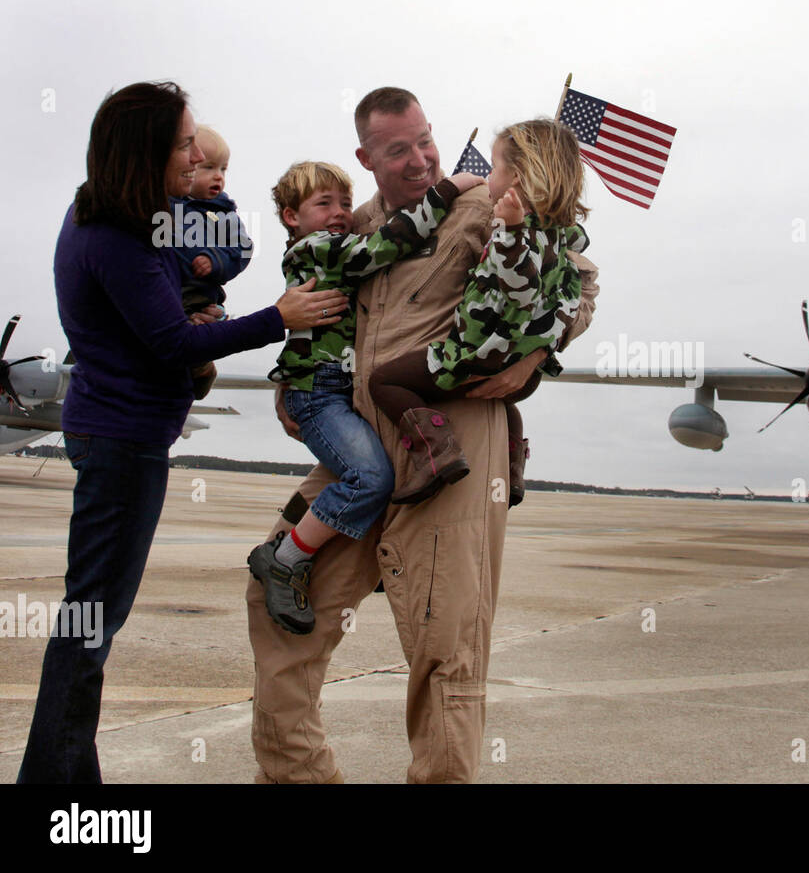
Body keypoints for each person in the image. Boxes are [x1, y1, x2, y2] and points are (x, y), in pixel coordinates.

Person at [248, 87, 599, 784]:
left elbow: (579, 282)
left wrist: (538, 351)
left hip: (449, 452)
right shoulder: (353, 228)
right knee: (276, 598)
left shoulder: (479, 204)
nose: (421, 159)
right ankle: (295, 777)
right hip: (358, 452)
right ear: (366, 157)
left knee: (447, 646)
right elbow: (323, 320)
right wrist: (291, 382)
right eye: (398, 149)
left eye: (425, 140)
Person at [18, 81, 348, 784]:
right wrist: (278, 317)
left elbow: (183, 294)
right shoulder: (114, 234)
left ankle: (66, 779)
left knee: (91, 623)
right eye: (183, 142)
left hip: (121, 436)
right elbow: (170, 339)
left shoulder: (117, 215)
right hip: (122, 443)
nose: (198, 152)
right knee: (89, 628)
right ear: (146, 152)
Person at [247, 160, 484, 635]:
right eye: (323, 204)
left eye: (344, 203)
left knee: (386, 471)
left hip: (336, 390)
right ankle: (285, 557)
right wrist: (449, 188)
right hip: (318, 394)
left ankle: (361, 557)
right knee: (370, 477)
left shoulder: (331, 251)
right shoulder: (317, 250)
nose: (338, 212)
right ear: (292, 217)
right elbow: (384, 245)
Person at [367, 118, 588, 506]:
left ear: (517, 176)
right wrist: (539, 352)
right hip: (524, 373)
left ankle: (436, 453)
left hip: (479, 356)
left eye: (495, 166)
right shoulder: (561, 237)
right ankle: (513, 463)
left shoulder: (516, 232)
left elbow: (521, 290)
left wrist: (510, 231)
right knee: (505, 406)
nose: (489, 176)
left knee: (385, 382)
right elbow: (569, 297)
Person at [172, 124, 255, 399]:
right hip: (168, 288)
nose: (217, 177)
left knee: (196, 328)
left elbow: (242, 248)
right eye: (208, 167)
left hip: (199, 293)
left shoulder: (222, 215)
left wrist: (214, 260)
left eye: (223, 169)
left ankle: (201, 370)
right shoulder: (164, 205)